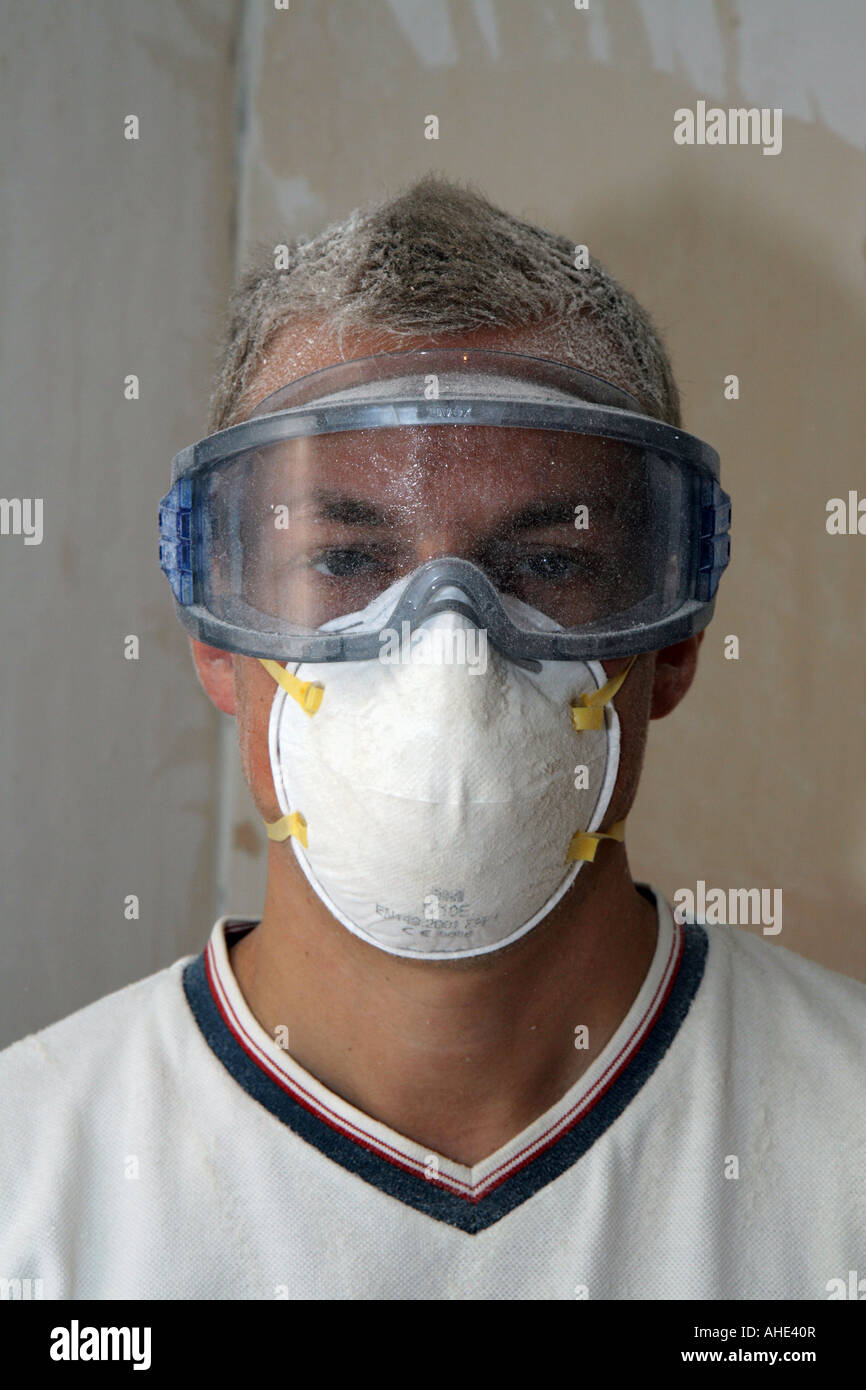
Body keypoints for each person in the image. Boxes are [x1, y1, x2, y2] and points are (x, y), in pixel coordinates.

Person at [1, 177, 862, 1300]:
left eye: (548, 560)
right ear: (216, 642)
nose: (448, 651)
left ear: (672, 642)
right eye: (346, 559)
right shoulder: (32, 1196)